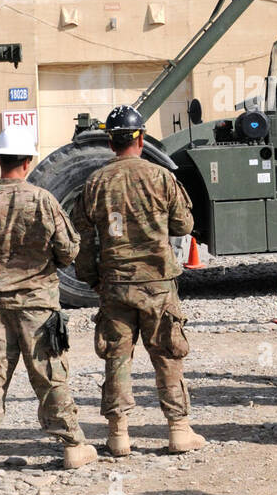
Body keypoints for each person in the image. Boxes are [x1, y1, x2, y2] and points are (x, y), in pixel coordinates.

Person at [71, 105, 205, 456]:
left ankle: (118, 435)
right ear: (141, 139)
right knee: (167, 355)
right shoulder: (161, 178)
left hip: (115, 285)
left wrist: (91, 279)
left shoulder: (95, 182)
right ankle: (178, 430)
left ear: (111, 142)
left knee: (117, 357)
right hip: (157, 284)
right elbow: (184, 227)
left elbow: (83, 238)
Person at [0, 127, 96, 473]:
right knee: (50, 376)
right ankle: (71, 446)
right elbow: (68, 250)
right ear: (28, 160)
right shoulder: (42, 200)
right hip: (38, 307)